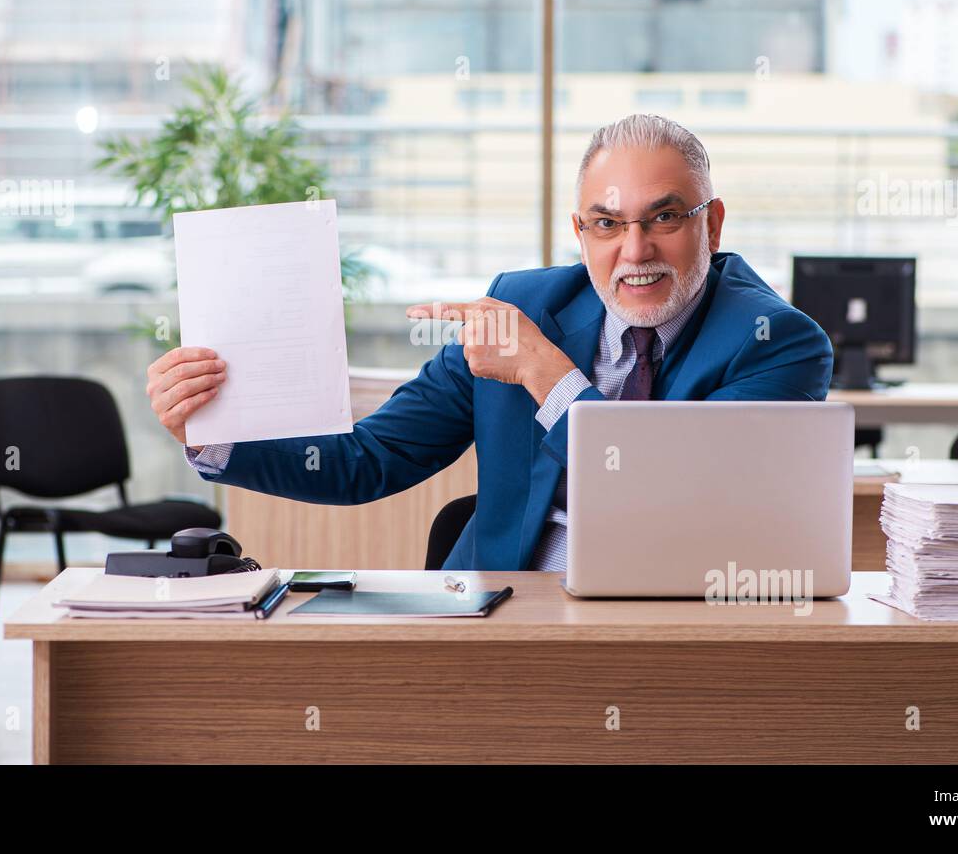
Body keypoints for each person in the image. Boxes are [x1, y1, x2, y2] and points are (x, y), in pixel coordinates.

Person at [146, 113, 833, 570]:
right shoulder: (524, 303)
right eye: (606, 223)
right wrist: (215, 431)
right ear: (580, 230)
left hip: (670, 632)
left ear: (711, 222)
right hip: (497, 617)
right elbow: (370, 457)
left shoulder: (779, 344)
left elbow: (678, 498)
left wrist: (546, 373)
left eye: (664, 218)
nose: (635, 250)